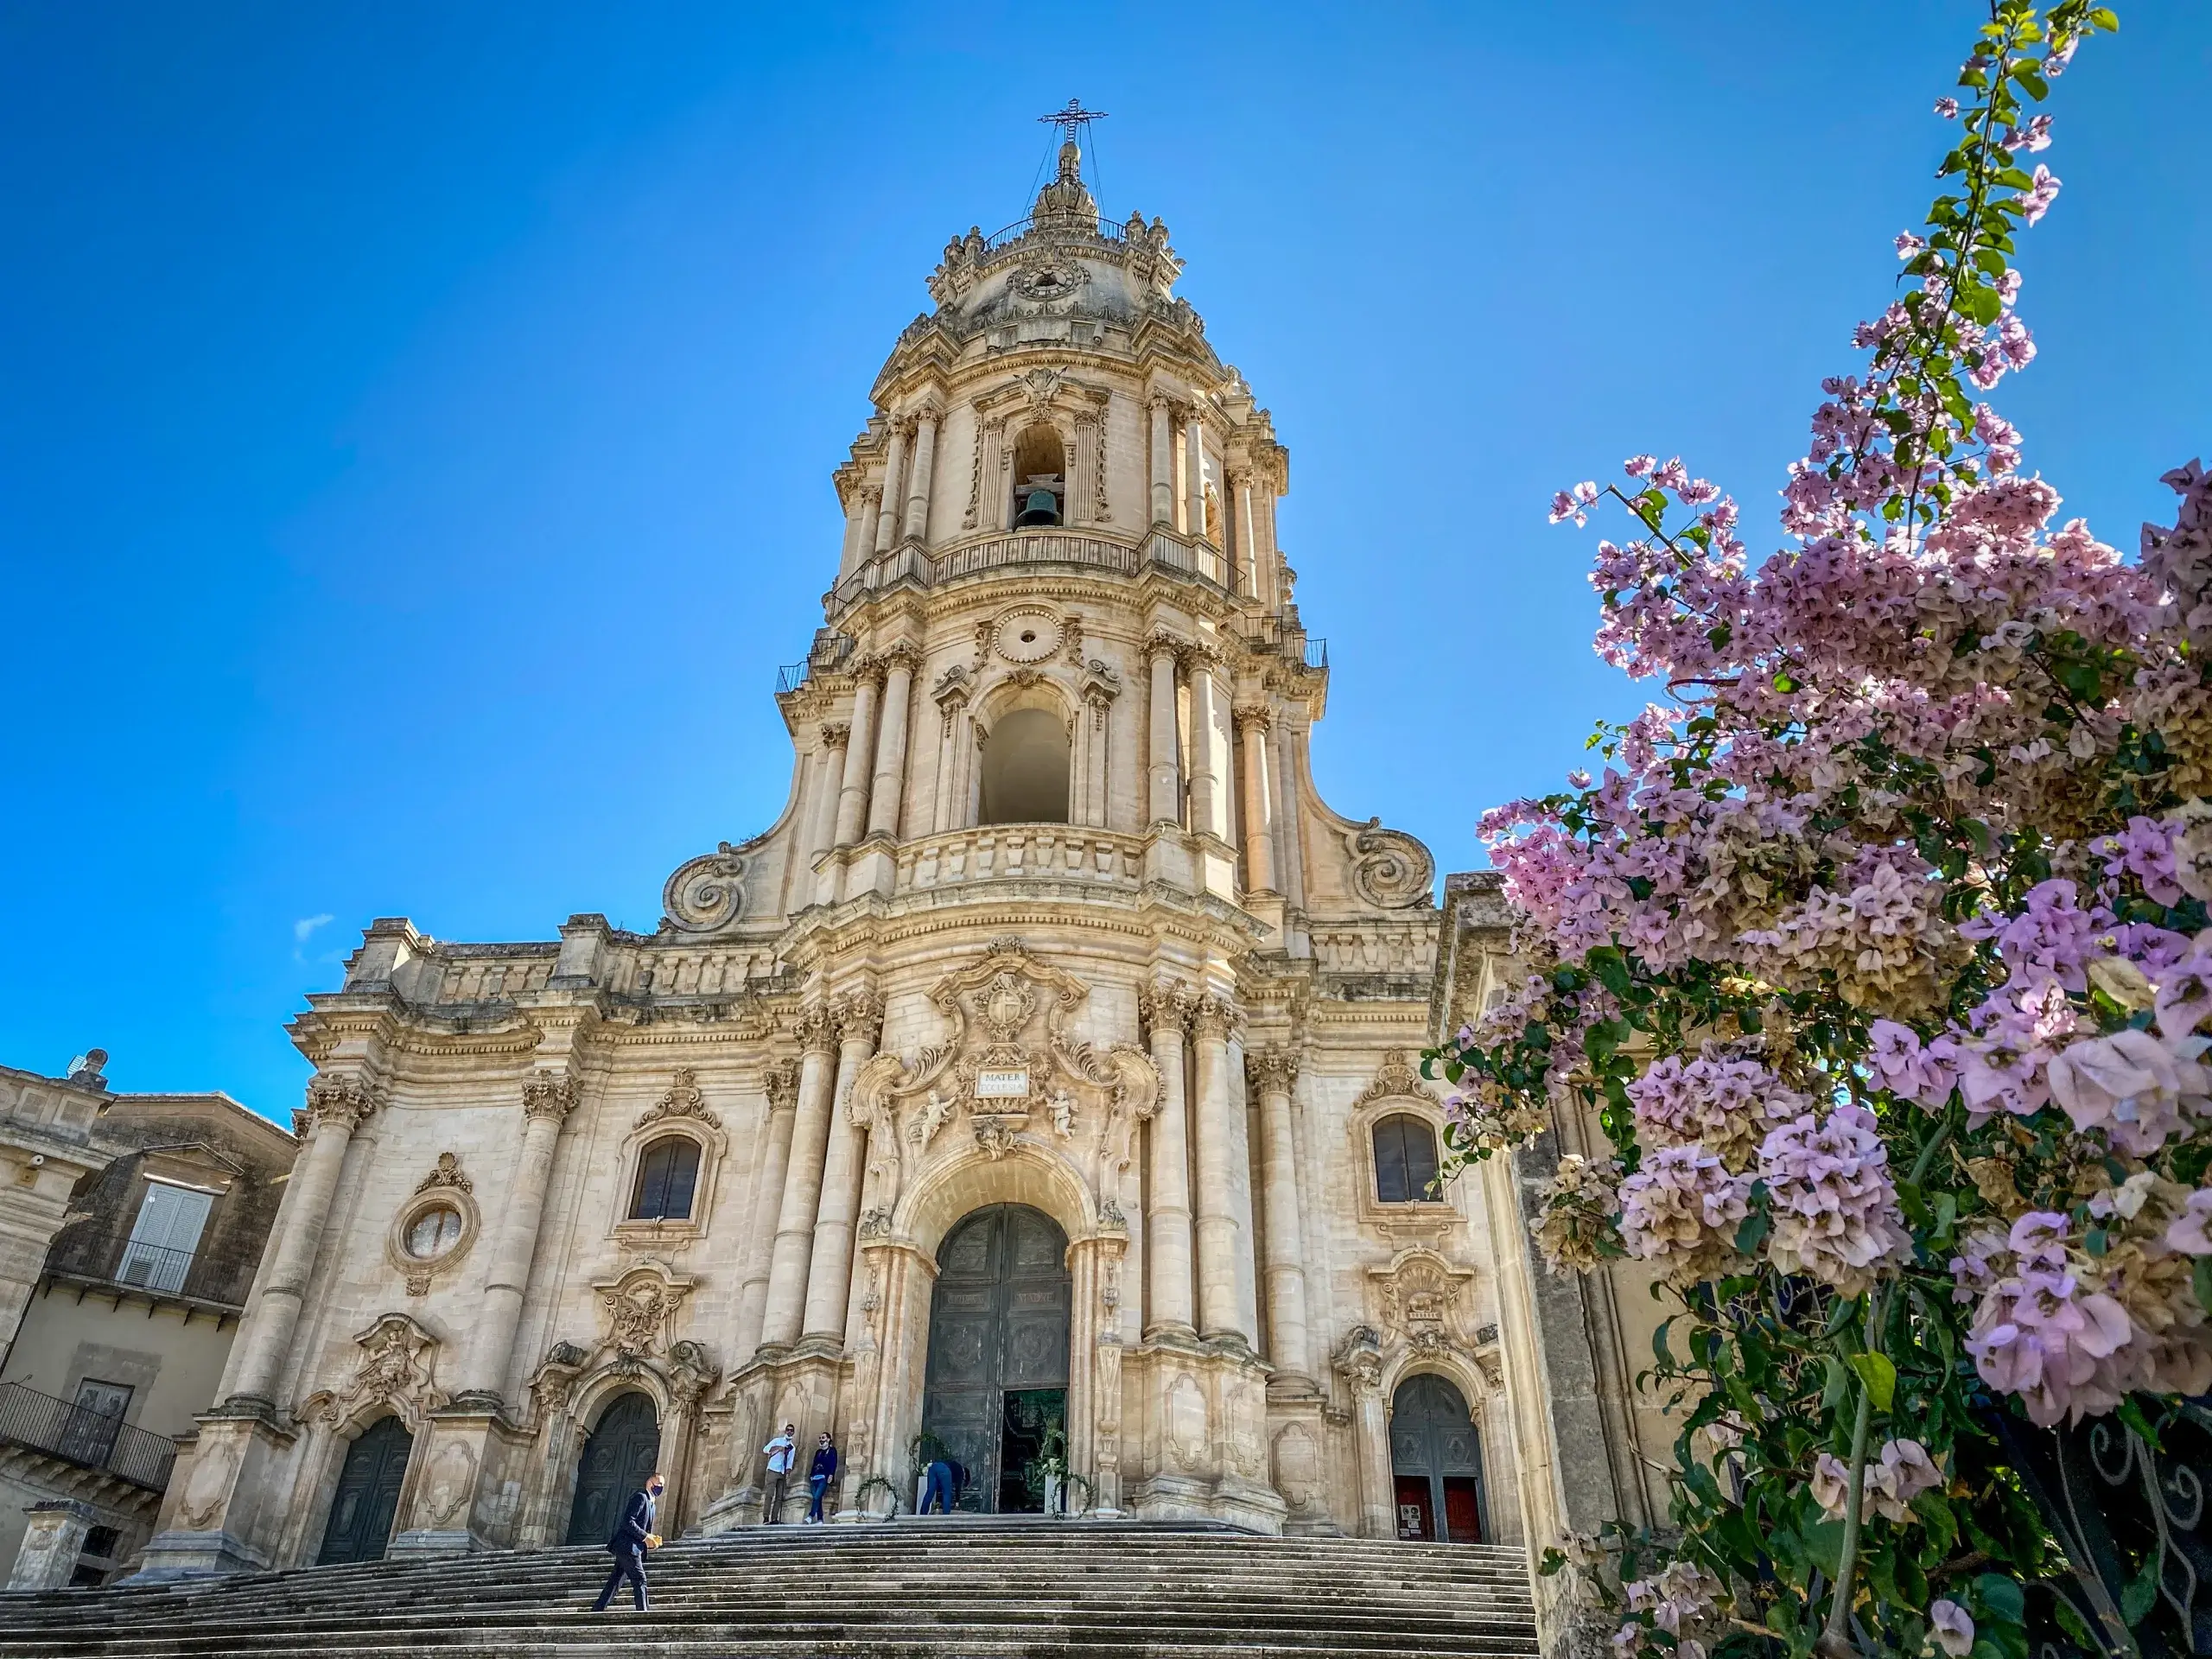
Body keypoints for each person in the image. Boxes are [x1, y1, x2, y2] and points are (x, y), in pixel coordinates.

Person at [591, 1470, 664, 1612]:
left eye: (662, 1485)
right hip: (628, 1547)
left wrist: (650, 1540)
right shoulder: (641, 1497)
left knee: (615, 1580)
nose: (661, 1487)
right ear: (650, 1483)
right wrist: (645, 1536)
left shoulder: (652, 1504)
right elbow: (627, 1522)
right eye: (659, 1483)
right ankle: (643, 1614)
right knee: (640, 1579)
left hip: (633, 1547)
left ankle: (597, 1609)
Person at [762, 1423, 797, 1522]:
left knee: (779, 1496)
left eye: (791, 1430)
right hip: (773, 1469)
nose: (789, 1432)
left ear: (793, 1432)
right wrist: (778, 1448)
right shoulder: (777, 1441)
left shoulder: (792, 1447)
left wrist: (788, 1472)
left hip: (782, 1472)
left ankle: (774, 1518)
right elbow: (765, 1450)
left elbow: (790, 1461)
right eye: (788, 1430)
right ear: (785, 1431)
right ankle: (766, 1517)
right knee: (769, 1494)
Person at [806, 1431, 838, 1523]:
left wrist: (831, 1475)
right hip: (814, 1478)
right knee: (818, 1498)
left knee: (816, 1497)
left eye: (823, 1438)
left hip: (823, 1478)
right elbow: (814, 1464)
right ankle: (820, 1519)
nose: (821, 1440)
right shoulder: (818, 1452)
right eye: (820, 1438)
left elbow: (833, 1463)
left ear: (828, 1439)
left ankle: (811, 1515)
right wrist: (811, 1475)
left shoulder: (832, 1451)